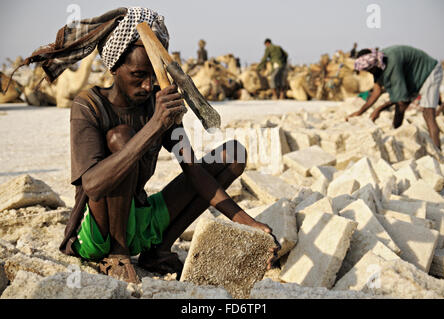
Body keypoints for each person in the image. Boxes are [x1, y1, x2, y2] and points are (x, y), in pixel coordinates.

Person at [19, 7, 278, 284]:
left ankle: (158, 249)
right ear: (114, 67)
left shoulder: (157, 101)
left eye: (154, 76)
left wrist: (246, 222)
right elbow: (92, 185)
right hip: (99, 232)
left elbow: (193, 170)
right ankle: (118, 254)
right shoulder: (89, 105)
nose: (148, 85)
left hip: (141, 222)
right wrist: (156, 125)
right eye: (138, 75)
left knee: (233, 154)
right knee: (121, 138)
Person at [346, 45, 444, 150]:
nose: (369, 72)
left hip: (429, 71)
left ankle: (437, 153)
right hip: (413, 78)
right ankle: (398, 139)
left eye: (370, 70)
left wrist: (379, 109)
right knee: (400, 108)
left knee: (428, 113)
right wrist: (360, 112)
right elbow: (376, 92)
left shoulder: (391, 64)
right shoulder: (378, 64)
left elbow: (401, 99)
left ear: (374, 64)